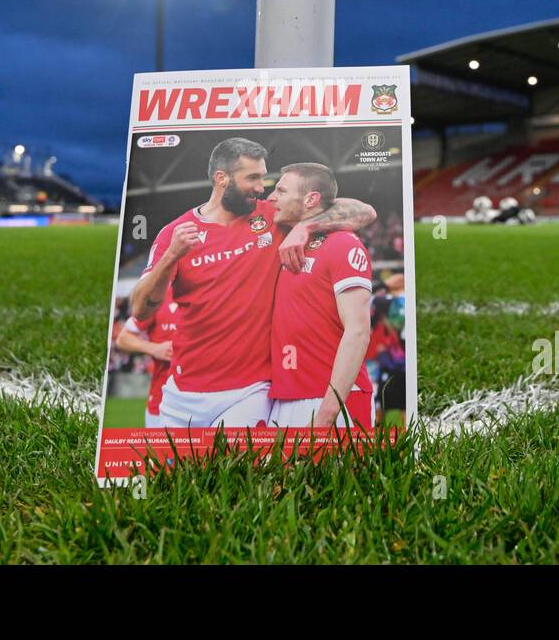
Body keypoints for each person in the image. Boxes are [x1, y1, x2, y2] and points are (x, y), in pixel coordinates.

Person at [130, 137, 375, 431]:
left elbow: (363, 211)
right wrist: (171, 257)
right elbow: (140, 310)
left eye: (264, 178)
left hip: (248, 391)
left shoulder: (271, 217)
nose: (262, 188)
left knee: (235, 474)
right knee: (172, 477)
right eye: (253, 178)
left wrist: (305, 226)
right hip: (181, 391)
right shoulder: (176, 233)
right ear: (222, 179)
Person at [266, 163, 374, 430]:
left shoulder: (343, 243)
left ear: (311, 199)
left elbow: (358, 332)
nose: (271, 197)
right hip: (284, 397)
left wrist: (327, 413)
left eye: (280, 190)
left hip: (331, 401)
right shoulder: (279, 236)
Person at [115, 286, 178, 428]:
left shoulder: (212, 294)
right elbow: (123, 338)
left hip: (210, 399)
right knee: (160, 450)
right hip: (162, 403)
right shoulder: (158, 297)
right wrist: (154, 348)